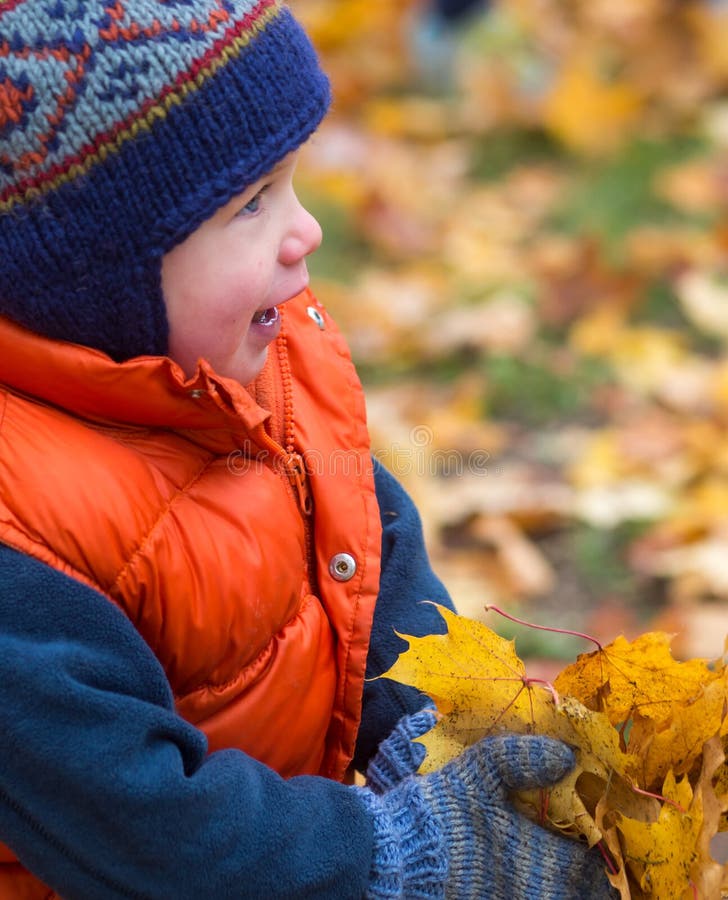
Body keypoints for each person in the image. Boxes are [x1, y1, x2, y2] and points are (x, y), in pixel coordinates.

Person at [0, 0, 616, 896]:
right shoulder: (20, 536)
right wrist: (392, 855)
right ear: (93, 277)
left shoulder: (244, 363)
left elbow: (363, 543)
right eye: (251, 204)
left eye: (291, 182)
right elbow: (144, 831)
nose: (307, 232)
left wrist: (437, 725)